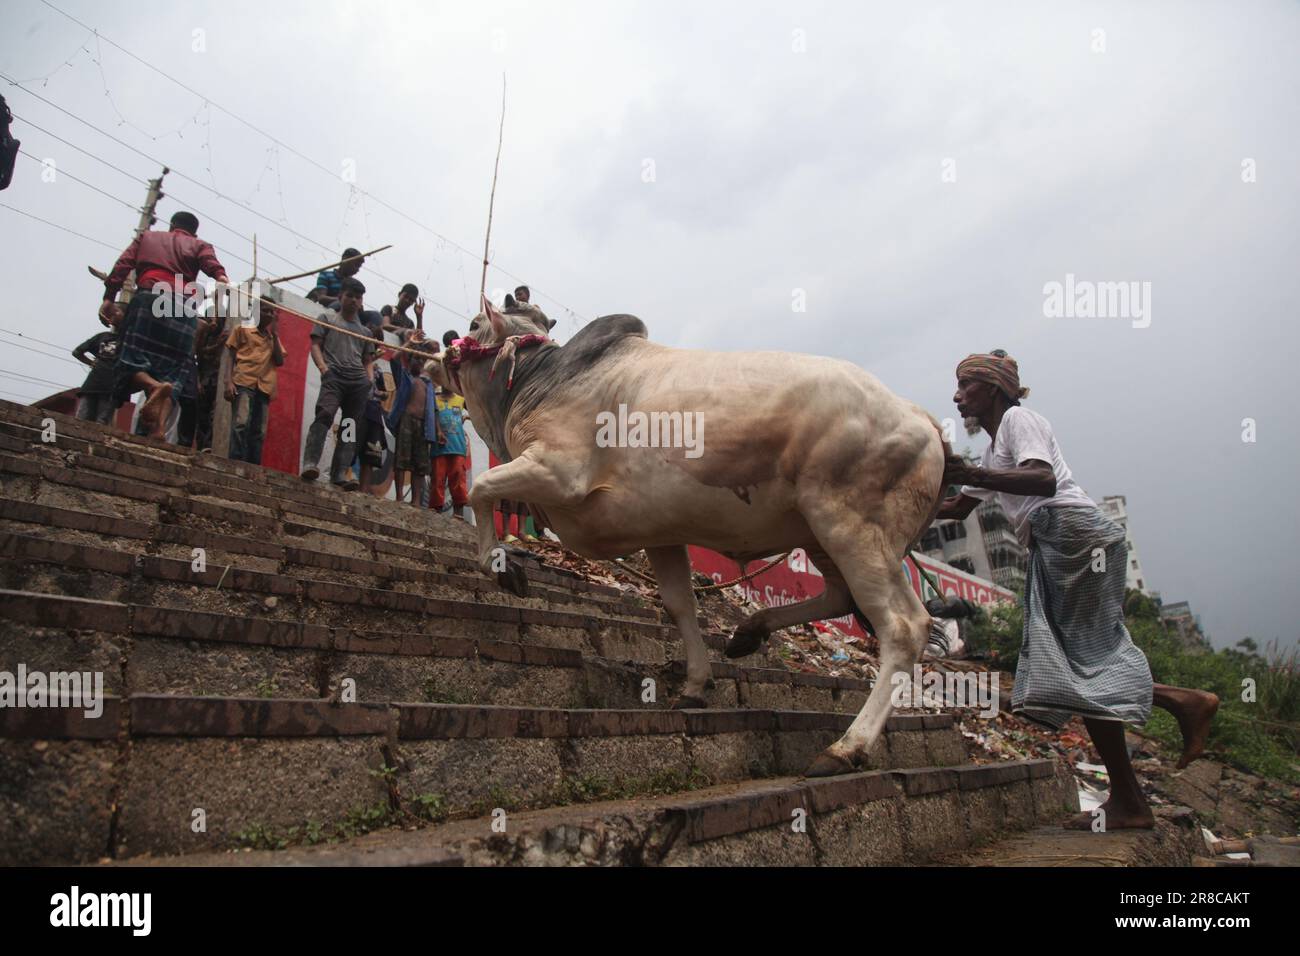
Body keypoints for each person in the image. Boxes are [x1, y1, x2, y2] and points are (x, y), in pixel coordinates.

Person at [937, 350, 1219, 830]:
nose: (957, 395)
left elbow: (1042, 479)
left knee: (1080, 668)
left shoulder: (1018, 420)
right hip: (1064, 538)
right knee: (1078, 669)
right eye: (957, 385)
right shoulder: (991, 451)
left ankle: (1180, 708)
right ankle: (1133, 796)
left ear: (996, 389)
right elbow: (958, 508)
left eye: (967, 385)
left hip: (1070, 533)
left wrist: (973, 474)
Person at [100, 211, 230, 439]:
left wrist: (109, 297)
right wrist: (221, 276)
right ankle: (158, 428)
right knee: (175, 371)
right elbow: (213, 267)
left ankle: (152, 386)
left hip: (150, 298)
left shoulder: (148, 237)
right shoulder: (200, 245)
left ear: (171, 226)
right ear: (194, 232)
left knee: (129, 359)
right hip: (183, 308)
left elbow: (123, 265)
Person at [301, 277, 377, 489]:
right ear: (340, 296)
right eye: (350, 296)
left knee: (349, 426)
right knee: (324, 414)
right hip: (334, 376)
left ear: (362, 301)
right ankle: (310, 463)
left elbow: (368, 360)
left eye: (358, 297)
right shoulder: (327, 318)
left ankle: (339, 473)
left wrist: (368, 379)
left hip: (357, 383)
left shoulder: (366, 332)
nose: (354, 300)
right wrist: (324, 369)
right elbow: (315, 346)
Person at [224, 300, 284, 464]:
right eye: (266, 311)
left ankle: (253, 466)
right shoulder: (242, 330)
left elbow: (279, 361)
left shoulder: (272, 338)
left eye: (272, 312)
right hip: (243, 382)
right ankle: (234, 462)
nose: (270, 315)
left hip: (264, 387)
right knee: (240, 423)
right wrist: (228, 382)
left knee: (259, 431)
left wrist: (276, 335)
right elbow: (230, 357)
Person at [386, 333, 436, 505]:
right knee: (401, 460)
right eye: (415, 359)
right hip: (406, 420)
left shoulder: (428, 383)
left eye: (421, 361)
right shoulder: (404, 377)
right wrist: (409, 342)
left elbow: (434, 409)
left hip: (424, 425)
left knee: (420, 465)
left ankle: (416, 500)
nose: (418, 363)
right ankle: (399, 496)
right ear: (410, 361)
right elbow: (394, 358)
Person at [430, 375, 470, 519]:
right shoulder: (433, 398)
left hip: (458, 446)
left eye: (450, 380)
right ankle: (436, 510)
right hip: (438, 446)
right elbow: (431, 417)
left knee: (458, 477)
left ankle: (458, 512)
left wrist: (467, 417)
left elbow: (478, 407)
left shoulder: (461, 398)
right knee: (437, 478)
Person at [71, 316, 122, 426]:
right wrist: (91, 363)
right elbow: (77, 352)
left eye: (117, 312)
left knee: (101, 424)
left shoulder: (128, 340)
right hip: (92, 384)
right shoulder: (102, 336)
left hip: (111, 388)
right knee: (80, 421)